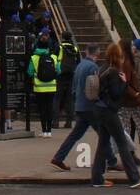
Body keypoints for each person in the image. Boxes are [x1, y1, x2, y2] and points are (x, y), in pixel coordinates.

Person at [91, 43, 140, 189]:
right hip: (109, 111)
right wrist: (124, 83)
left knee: (103, 144)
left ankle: (97, 179)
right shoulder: (113, 72)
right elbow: (116, 94)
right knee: (122, 143)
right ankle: (134, 177)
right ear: (118, 55)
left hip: (99, 109)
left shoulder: (103, 68)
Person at [50, 44, 116, 172]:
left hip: (80, 106)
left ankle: (58, 158)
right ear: (97, 52)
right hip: (90, 106)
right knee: (103, 134)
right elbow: (95, 87)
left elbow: (74, 88)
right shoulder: (93, 67)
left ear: (86, 52)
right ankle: (112, 162)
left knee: (74, 135)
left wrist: (77, 101)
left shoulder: (79, 66)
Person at [27, 37, 60, 137]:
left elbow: (29, 72)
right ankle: (49, 131)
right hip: (51, 87)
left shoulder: (34, 58)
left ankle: (44, 131)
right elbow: (58, 71)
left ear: (37, 46)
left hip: (39, 88)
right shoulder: (53, 57)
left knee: (42, 109)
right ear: (48, 47)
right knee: (49, 108)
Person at [56, 32, 80, 129]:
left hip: (60, 75)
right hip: (71, 75)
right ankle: (69, 122)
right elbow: (78, 62)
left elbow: (55, 60)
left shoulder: (59, 47)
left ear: (62, 38)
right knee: (69, 99)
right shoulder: (75, 49)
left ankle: (55, 122)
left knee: (57, 99)